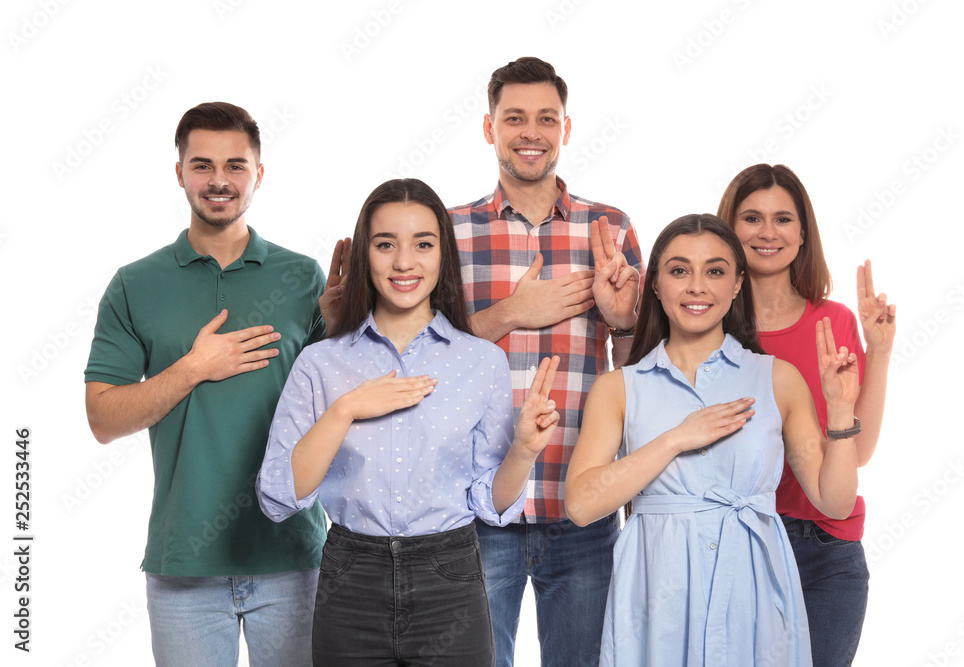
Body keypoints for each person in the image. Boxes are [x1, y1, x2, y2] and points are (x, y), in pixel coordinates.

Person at [256, 178, 562, 666]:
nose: (404, 262)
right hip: (350, 579)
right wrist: (346, 409)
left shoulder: (480, 361)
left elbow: (491, 503)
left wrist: (523, 451)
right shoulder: (320, 364)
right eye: (385, 245)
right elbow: (280, 496)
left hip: (450, 578)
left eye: (423, 244)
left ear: (443, 254)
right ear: (365, 256)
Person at [84, 102, 328, 666]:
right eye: (202, 165)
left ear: (258, 174)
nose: (219, 180)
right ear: (179, 173)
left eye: (236, 165)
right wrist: (193, 367)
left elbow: (337, 404)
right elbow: (101, 419)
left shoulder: (303, 277)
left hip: (293, 557)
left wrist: (345, 322)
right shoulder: (135, 284)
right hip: (183, 567)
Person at [565, 214, 863, 666]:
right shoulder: (620, 387)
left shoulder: (777, 379)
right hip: (657, 594)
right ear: (657, 285)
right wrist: (676, 439)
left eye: (716, 271)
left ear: (738, 284)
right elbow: (582, 504)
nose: (697, 287)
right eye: (680, 270)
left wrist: (840, 413)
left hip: (753, 591)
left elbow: (835, 502)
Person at [448, 56, 644, 667]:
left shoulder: (608, 227)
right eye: (514, 118)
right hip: (477, 505)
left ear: (566, 128)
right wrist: (509, 314)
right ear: (489, 128)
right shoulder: (448, 233)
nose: (530, 132)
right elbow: (424, 361)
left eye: (545, 118)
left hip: (580, 505)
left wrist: (623, 319)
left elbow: (635, 369)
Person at [717, 164, 896, 666]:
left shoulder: (832, 322)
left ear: (802, 234)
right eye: (751, 217)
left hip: (825, 552)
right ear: (728, 229)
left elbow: (855, 452)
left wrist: (878, 353)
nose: (768, 232)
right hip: (736, 544)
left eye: (783, 219)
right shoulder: (704, 326)